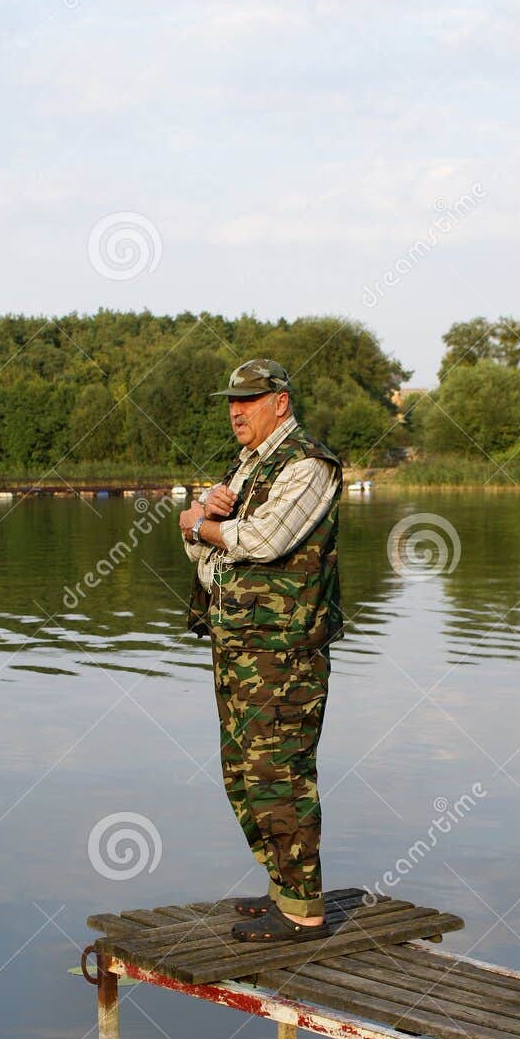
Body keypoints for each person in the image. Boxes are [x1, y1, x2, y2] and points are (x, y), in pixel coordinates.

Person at [180, 358, 343, 943]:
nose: (235, 410)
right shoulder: (246, 469)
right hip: (238, 644)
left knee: (279, 770)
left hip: (283, 649)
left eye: (248, 400)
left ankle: (304, 912)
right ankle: (283, 888)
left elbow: (266, 540)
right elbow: (212, 558)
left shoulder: (307, 465)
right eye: (231, 401)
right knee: (241, 772)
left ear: (281, 401)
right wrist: (199, 528)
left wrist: (201, 524)